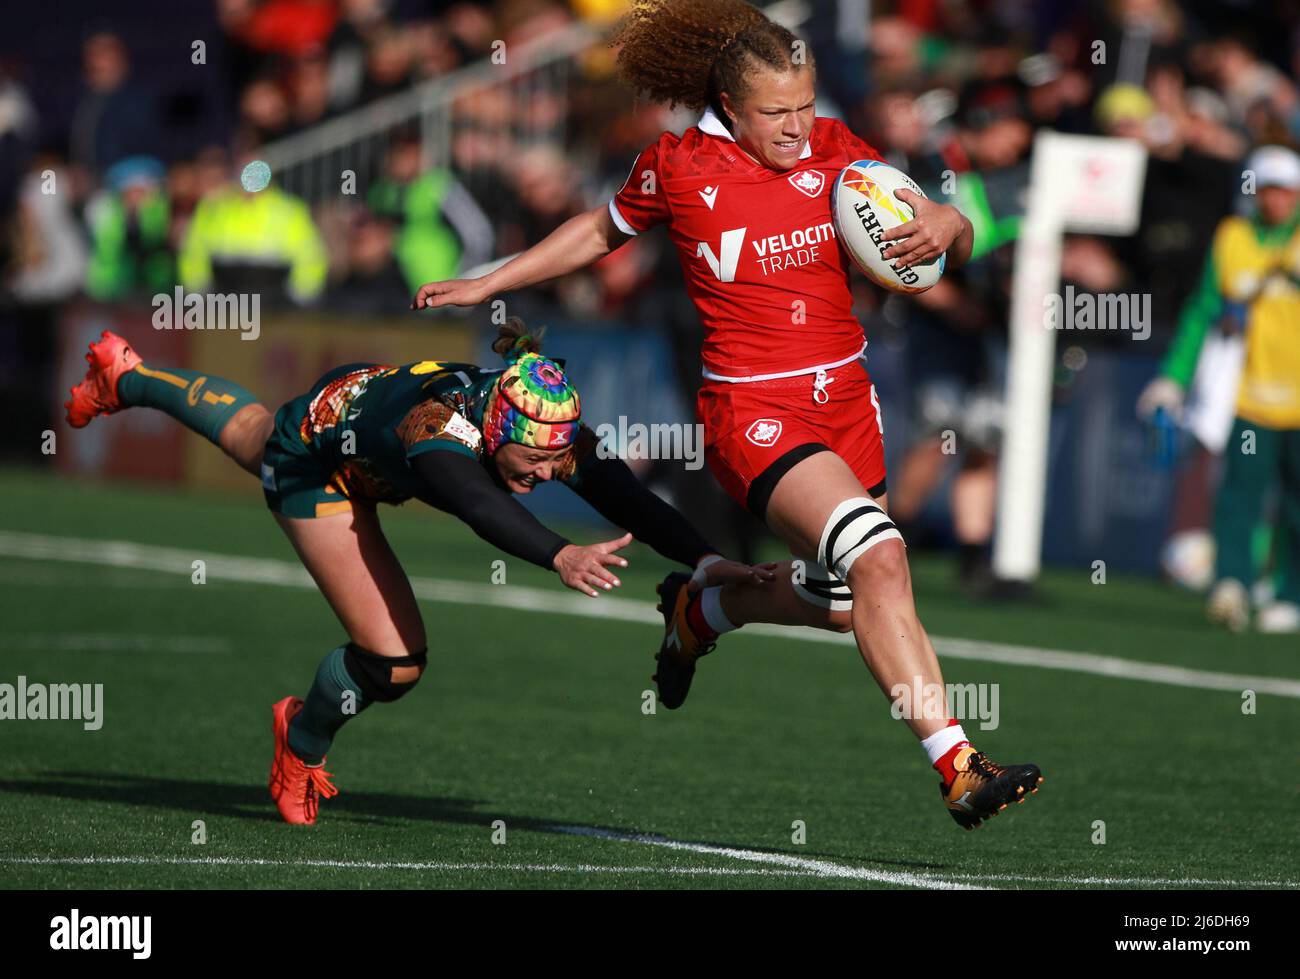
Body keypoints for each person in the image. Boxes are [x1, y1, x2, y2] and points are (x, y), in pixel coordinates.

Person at [412, 0, 1042, 830]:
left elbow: (940, 243)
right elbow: (598, 234)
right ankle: (960, 766)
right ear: (730, 106)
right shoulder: (677, 165)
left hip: (849, 397)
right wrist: (494, 279)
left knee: (847, 601)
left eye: (806, 105)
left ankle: (701, 609)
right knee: (881, 559)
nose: (796, 126)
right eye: (774, 113)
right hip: (754, 408)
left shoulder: (838, 152)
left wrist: (950, 222)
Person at [64, 319, 766, 825]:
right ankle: (300, 740)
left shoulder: (530, 419)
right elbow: (475, 504)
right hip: (321, 464)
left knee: (249, 431)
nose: (551, 473)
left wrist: (703, 557)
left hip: (352, 403)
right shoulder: (438, 435)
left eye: (557, 461)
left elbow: (625, 495)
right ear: (494, 431)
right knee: (395, 661)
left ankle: (126, 374)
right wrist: (560, 552)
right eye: (538, 462)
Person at [1138, 145, 1300, 633]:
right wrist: (1174, 376)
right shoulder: (1233, 238)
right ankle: (1233, 584)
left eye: (1286, 191)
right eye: (1268, 190)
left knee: (1296, 502)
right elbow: (1204, 309)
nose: (1276, 200)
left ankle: (1291, 595)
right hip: (1248, 394)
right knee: (1238, 497)